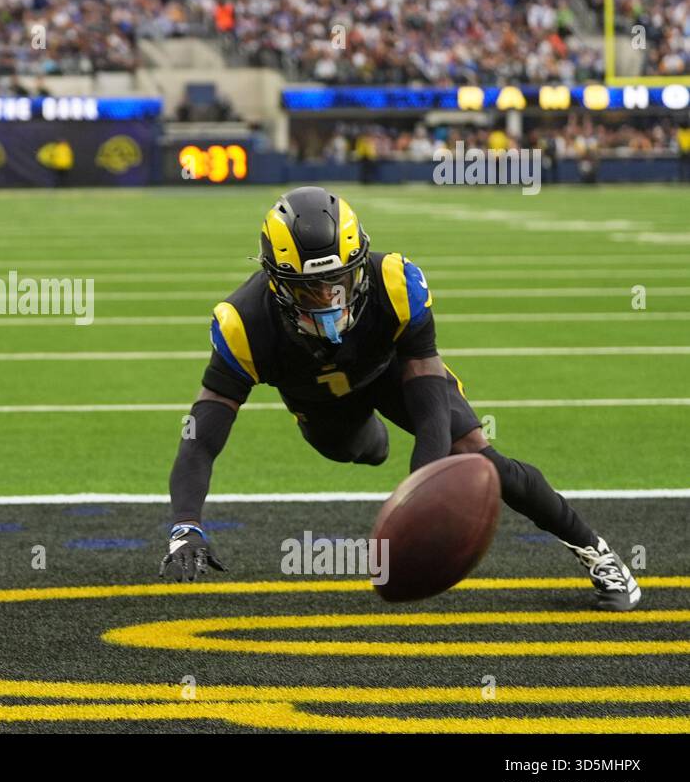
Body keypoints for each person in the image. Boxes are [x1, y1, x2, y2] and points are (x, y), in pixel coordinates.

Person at [160, 187, 641, 611]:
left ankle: (596, 550)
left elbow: (429, 391)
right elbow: (202, 436)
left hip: (393, 375)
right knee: (365, 449)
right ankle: (370, 440)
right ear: (277, 281)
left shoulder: (395, 281)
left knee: (477, 455)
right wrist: (186, 524)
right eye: (309, 289)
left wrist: (423, 490)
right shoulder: (244, 323)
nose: (329, 297)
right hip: (321, 403)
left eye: (339, 281)